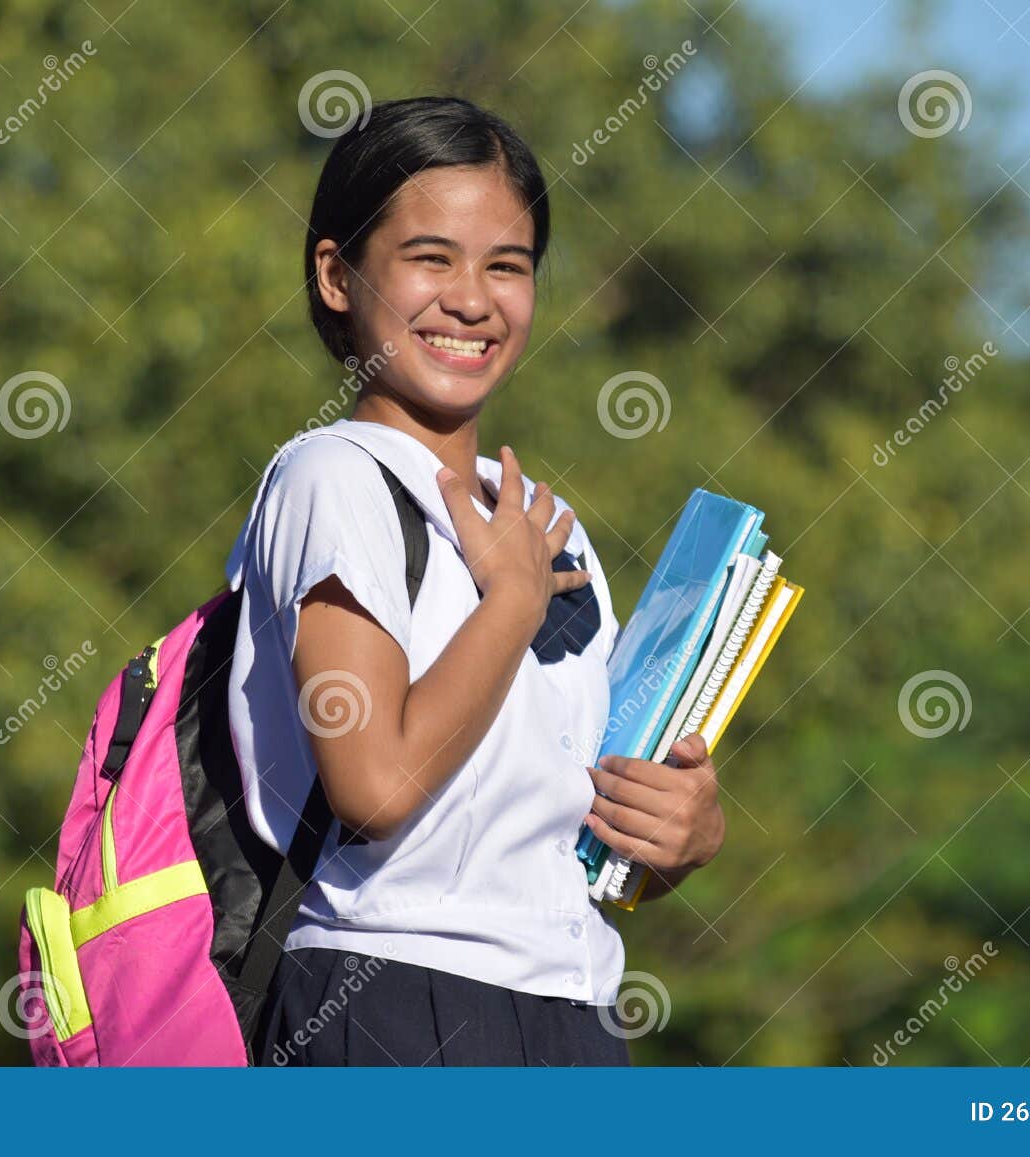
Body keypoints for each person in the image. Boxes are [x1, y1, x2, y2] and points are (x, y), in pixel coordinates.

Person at [224, 96, 726, 1066]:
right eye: (429, 257)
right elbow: (374, 786)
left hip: (572, 1008)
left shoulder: (539, 518)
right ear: (336, 275)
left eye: (508, 264)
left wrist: (677, 838)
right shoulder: (333, 476)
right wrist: (510, 605)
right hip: (391, 1001)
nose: (472, 297)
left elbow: (559, 844)